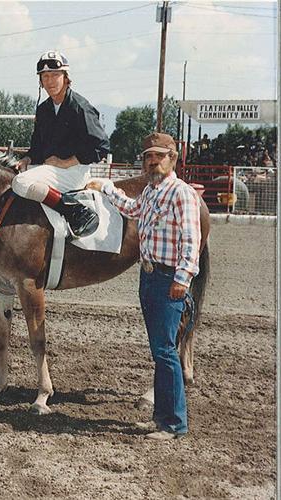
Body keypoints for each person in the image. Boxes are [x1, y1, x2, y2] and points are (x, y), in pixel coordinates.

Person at [87, 132, 201, 440]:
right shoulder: (152, 191)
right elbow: (133, 209)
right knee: (160, 351)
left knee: (165, 351)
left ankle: (174, 424)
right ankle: (161, 418)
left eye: (158, 156)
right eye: (148, 157)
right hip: (149, 276)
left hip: (168, 279)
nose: (152, 162)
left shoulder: (181, 193)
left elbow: (191, 241)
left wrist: (182, 279)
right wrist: (107, 188)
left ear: (172, 159)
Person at [12, 50, 111, 237]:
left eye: (55, 75)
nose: (50, 81)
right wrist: (27, 159)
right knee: (11, 174)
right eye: (45, 76)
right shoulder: (44, 109)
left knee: (20, 182)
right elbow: (37, 146)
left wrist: (66, 162)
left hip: (74, 171)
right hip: (51, 169)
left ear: (66, 78)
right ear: (40, 81)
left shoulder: (80, 107)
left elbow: (101, 146)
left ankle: (75, 211)